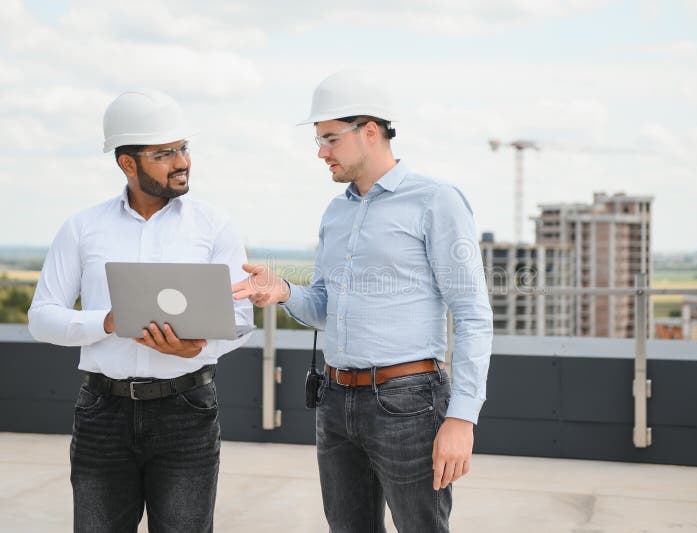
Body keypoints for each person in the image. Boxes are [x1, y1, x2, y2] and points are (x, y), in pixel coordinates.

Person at [232, 71, 493, 532]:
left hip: (408, 404)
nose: (321, 152)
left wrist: (461, 418)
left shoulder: (436, 200)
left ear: (369, 131)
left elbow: (473, 315)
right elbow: (327, 307)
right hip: (335, 403)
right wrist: (285, 292)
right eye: (318, 140)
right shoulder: (336, 212)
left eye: (330, 138)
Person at [28, 89, 253, 533]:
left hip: (186, 411)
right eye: (165, 153)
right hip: (101, 414)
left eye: (184, 148)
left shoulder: (215, 227)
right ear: (127, 163)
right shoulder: (82, 228)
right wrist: (106, 322)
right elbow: (42, 317)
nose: (182, 161)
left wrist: (197, 349)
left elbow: (241, 320)